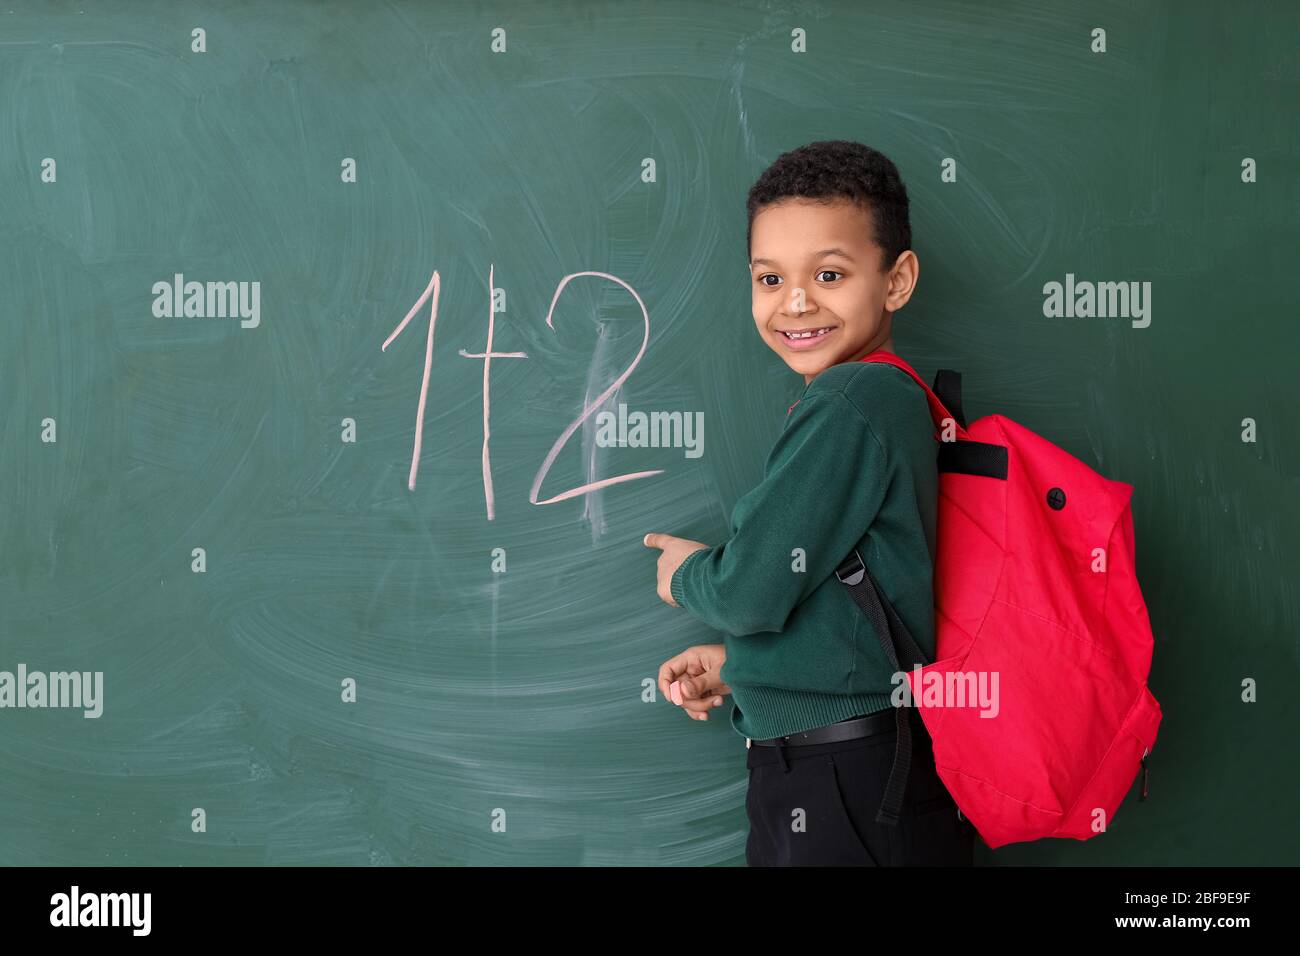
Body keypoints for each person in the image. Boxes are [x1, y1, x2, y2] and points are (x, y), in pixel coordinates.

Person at [644, 140, 975, 866]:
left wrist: (686, 575)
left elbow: (750, 588)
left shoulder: (850, 399)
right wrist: (745, 666)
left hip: (843, 782)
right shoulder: (882, 396)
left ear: (898, 280)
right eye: (769, 278)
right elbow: (854, 603)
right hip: (856, 770)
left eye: (830, 273)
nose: (795, 301)